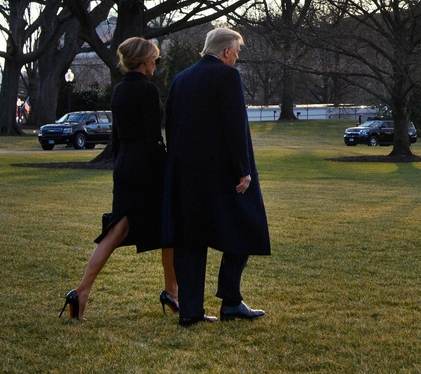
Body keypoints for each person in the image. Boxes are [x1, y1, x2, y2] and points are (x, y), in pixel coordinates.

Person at [59, 38, 177, 320]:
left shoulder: (119, 89)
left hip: (125, 165)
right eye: (155, 60)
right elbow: (152, 139)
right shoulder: (148, 91)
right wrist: (168, 165)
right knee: (169, 226)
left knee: (118, 230)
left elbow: (117, 137)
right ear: (146, 61)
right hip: (148, 167)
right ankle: (173, 293)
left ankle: (82, 291)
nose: (156, 65)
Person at [164, 27, 270, 326]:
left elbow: (171, 125)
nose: (237, 57)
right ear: (225, 51)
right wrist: (243, 169)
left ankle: (190, 312)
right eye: (236, 51)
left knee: (190, 239)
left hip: (186, 174)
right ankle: (231, 300)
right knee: (247, 226)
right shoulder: (227, 76)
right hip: (223, 173)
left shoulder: (180, 79)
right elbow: (234, 124)